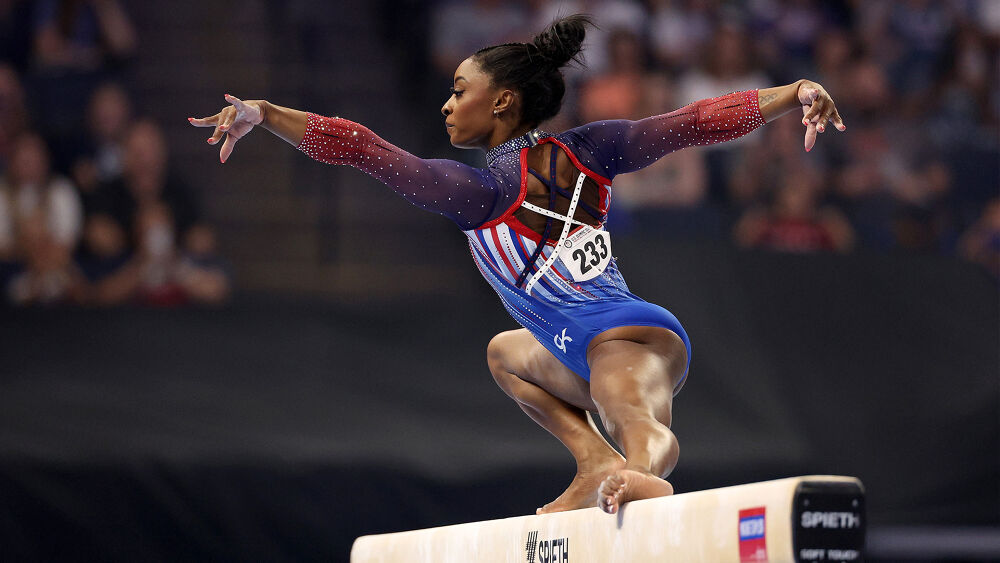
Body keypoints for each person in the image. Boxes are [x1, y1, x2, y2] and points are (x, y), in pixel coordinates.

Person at [189, 15, 845, 515]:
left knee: (636, 421)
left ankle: (640, 472)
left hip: (628, 337)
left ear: (502, 101)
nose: (446, 104)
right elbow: (694, 122)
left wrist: (267, 115)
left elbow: (365, 150)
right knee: (505, 353)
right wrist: (791, 93)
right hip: (572, 348)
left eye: (459, 90)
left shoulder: (477, 193)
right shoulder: (586, 151)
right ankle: (594, 462)